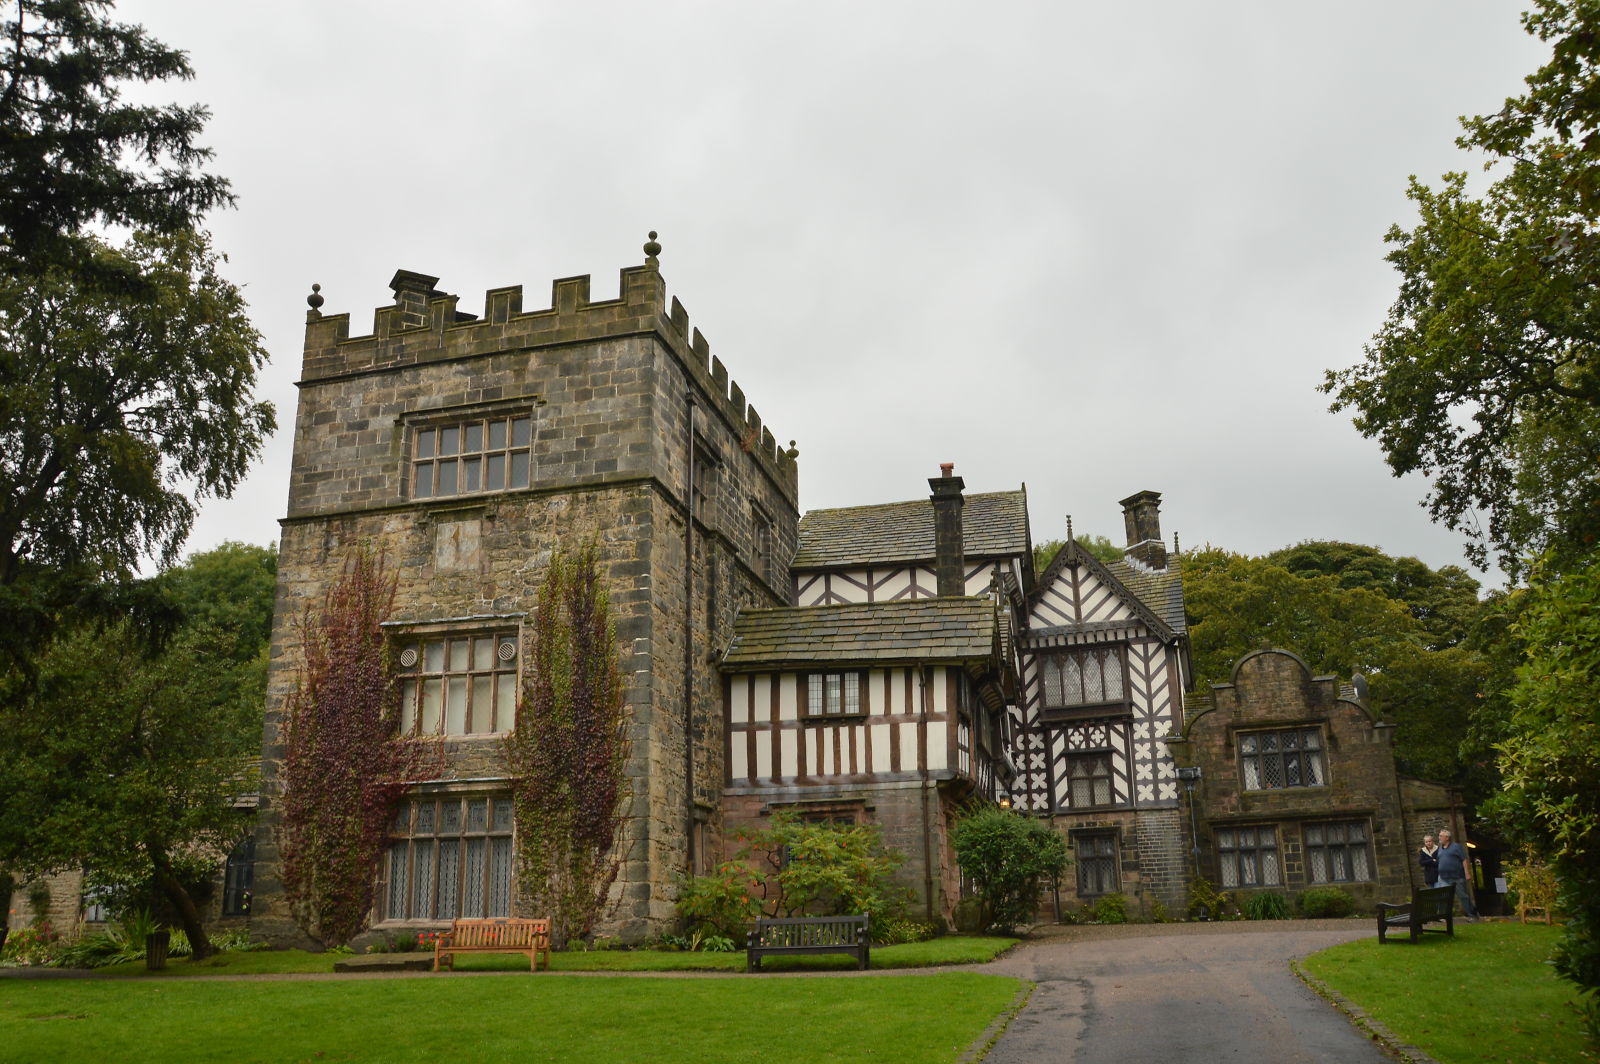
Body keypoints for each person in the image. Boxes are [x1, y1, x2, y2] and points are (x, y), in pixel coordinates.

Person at [1435, 829, 1478, 919]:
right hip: (1443, 878)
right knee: (1442, 897)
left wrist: (1467, 873)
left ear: (1447, 838)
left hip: (1456, 877)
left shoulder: (1456, 847)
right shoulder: (1440, 849)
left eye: (1441, 836)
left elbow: (1464, 860)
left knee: (1463, 896)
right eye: (1439, 836)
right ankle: (1442, 916)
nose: (1439, 838)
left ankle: (1472, 914)